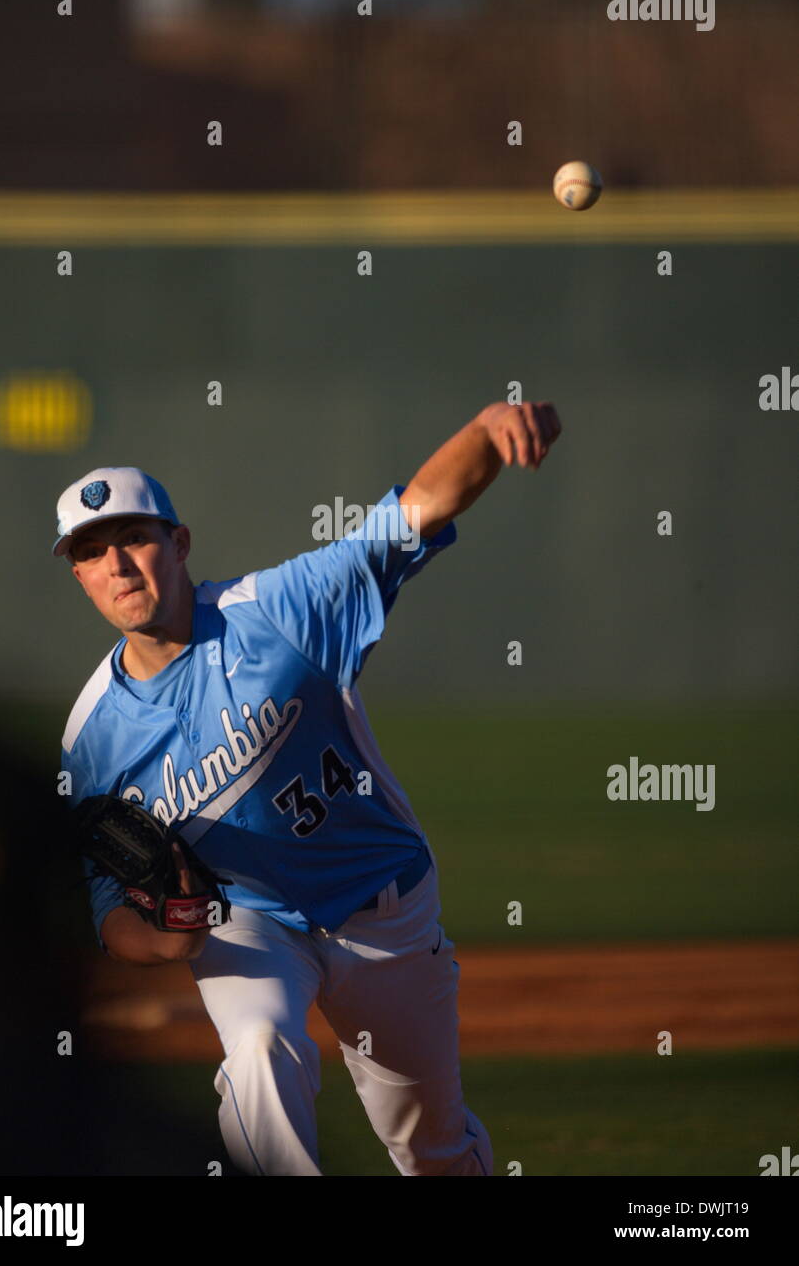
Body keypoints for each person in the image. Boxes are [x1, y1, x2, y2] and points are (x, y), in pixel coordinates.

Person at [55, 398, 561, 1176]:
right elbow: (106, 906)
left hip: (381, 903)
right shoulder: (91, 741)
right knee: (259, 1054)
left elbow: (410, 517)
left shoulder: (279, 612)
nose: (118, 565)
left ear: (179, 543)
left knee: (430, 1149)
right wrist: (173, 936)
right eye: (91, 553)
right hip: (245, 920)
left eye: (134, 538)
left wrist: (486, 432)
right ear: (79, 576)